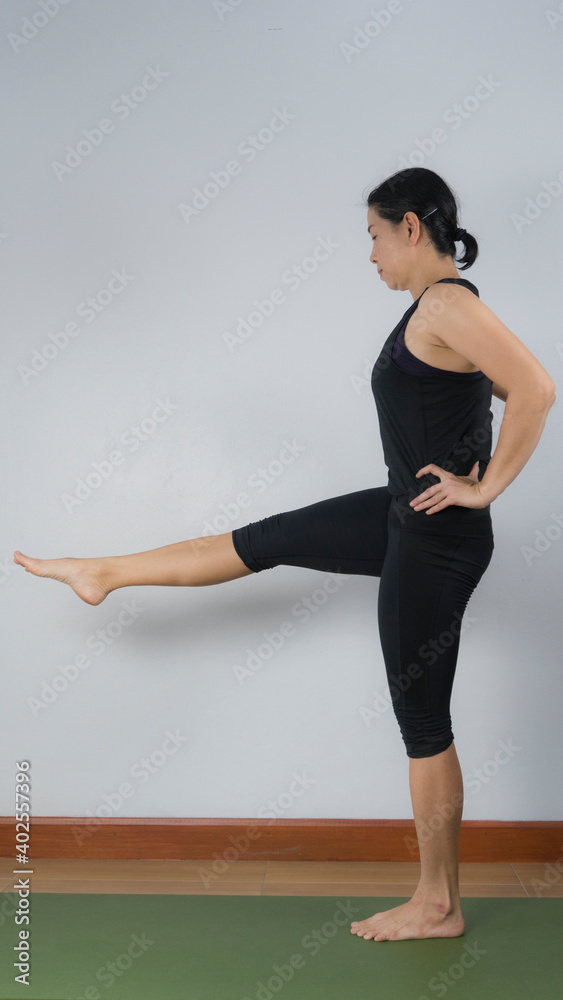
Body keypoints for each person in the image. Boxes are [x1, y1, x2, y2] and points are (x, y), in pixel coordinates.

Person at [13, 167, 556, 943]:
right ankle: (105, 571)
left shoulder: (442, 302)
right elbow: (499, 387)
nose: (369, 254)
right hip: (404, 514)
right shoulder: (436, 311)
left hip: (434, 539)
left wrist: (483, 485)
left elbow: (534, 387)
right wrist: (474, 450)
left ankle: (438, 904)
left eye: (373, 236)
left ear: (409, 227)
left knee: (422, 725)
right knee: (264, 540)